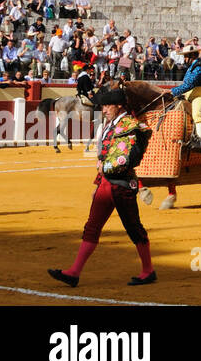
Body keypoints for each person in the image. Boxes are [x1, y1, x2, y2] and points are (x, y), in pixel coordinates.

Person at [48, 87, 156, 288]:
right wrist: (99, 180)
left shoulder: (130, 125)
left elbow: (128, 158)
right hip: (106, 184)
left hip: (122, 185)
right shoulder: (111, 124)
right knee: (92, 227)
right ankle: (74, 272)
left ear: (119, 106)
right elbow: (106, 154)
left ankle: (148, 270)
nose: (103, 110)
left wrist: (103, 168)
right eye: (103, 106)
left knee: (133, 228)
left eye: (107, 106)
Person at [167, 42, 201, 150]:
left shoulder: (200, 67)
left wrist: (172, 91)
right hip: (189, 96)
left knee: (197, 113)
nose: (184, 59)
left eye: (185, 56)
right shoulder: (192, 66)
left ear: (192, 56)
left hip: (200, 96)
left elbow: (190, 84)